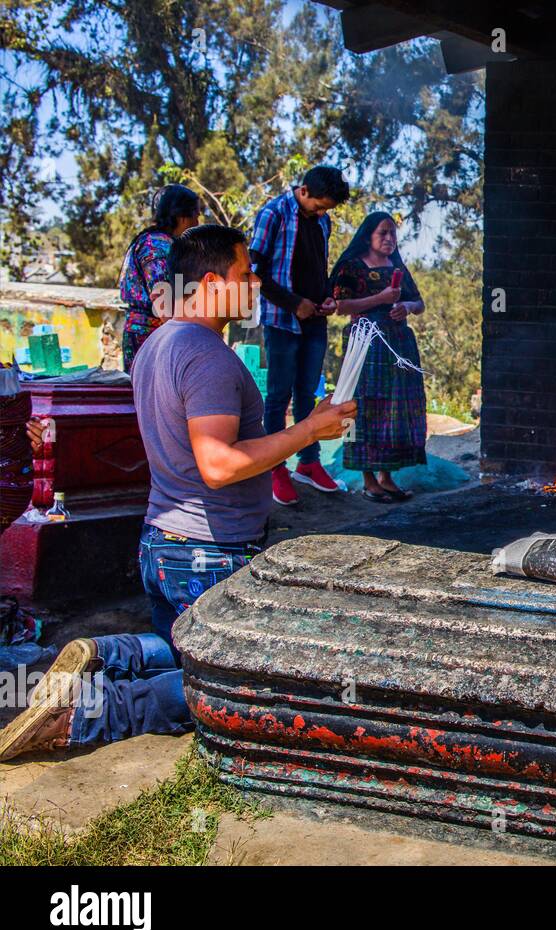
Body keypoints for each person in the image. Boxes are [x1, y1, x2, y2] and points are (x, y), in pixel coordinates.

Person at [0, 225, 356, 761]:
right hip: (209, 552)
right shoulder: (206, 356)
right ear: (213, 282)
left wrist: (307, 423)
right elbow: (218, 465)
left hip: (163, 542)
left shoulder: (156, 344)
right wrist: (308, 432)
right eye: (245, 273)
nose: (255, 283)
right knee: (229, 683)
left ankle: (104, 655)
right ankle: (89, 714)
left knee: (184, 650)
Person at [249, 165, 350, 507]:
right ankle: (276, 467)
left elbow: (317, 266)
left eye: (327, 210)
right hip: (282, 320)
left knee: (308, 394)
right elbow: (254, 271)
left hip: (314, 321)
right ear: (303, 191)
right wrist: (294, 304)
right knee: (279, 396)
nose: (322, 214)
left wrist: (326, 296)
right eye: (319, 206)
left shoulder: (322, 221)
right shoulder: (272, 214)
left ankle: (308, 462)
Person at [330, 211, 428, 502]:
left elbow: (419, 301)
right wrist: (381, 299)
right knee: (366, 404)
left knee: (395, 407)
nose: (389, 239)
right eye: (382, 233)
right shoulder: (352, 267)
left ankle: (387, 476)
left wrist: (406, 307)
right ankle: (368, 479)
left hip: (397, 342)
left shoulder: (396, 265)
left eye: (392, 234)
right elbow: (341, 305)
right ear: (368, 236)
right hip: (366, 343)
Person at [118, 184, 201, 371]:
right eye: (196, 215)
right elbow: (163, 301)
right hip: (152, 338)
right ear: (182, 217)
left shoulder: (159, 242)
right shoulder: (156, 246)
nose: (197, 222)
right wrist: (188, 341)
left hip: (153, 334)